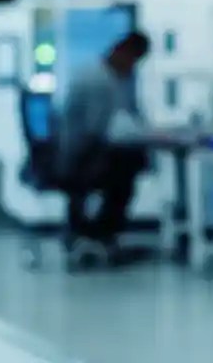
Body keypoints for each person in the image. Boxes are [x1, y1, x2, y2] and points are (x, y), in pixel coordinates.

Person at [56, 31, 152, 256]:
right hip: (80, 156)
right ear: (123, 52)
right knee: (127, 169)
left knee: (131, 162)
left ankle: (97, 233)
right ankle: (101, 235)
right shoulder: (97, 79)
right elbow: (96, 129)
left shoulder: (118, 77)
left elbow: (130, 114)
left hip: (89, 151)